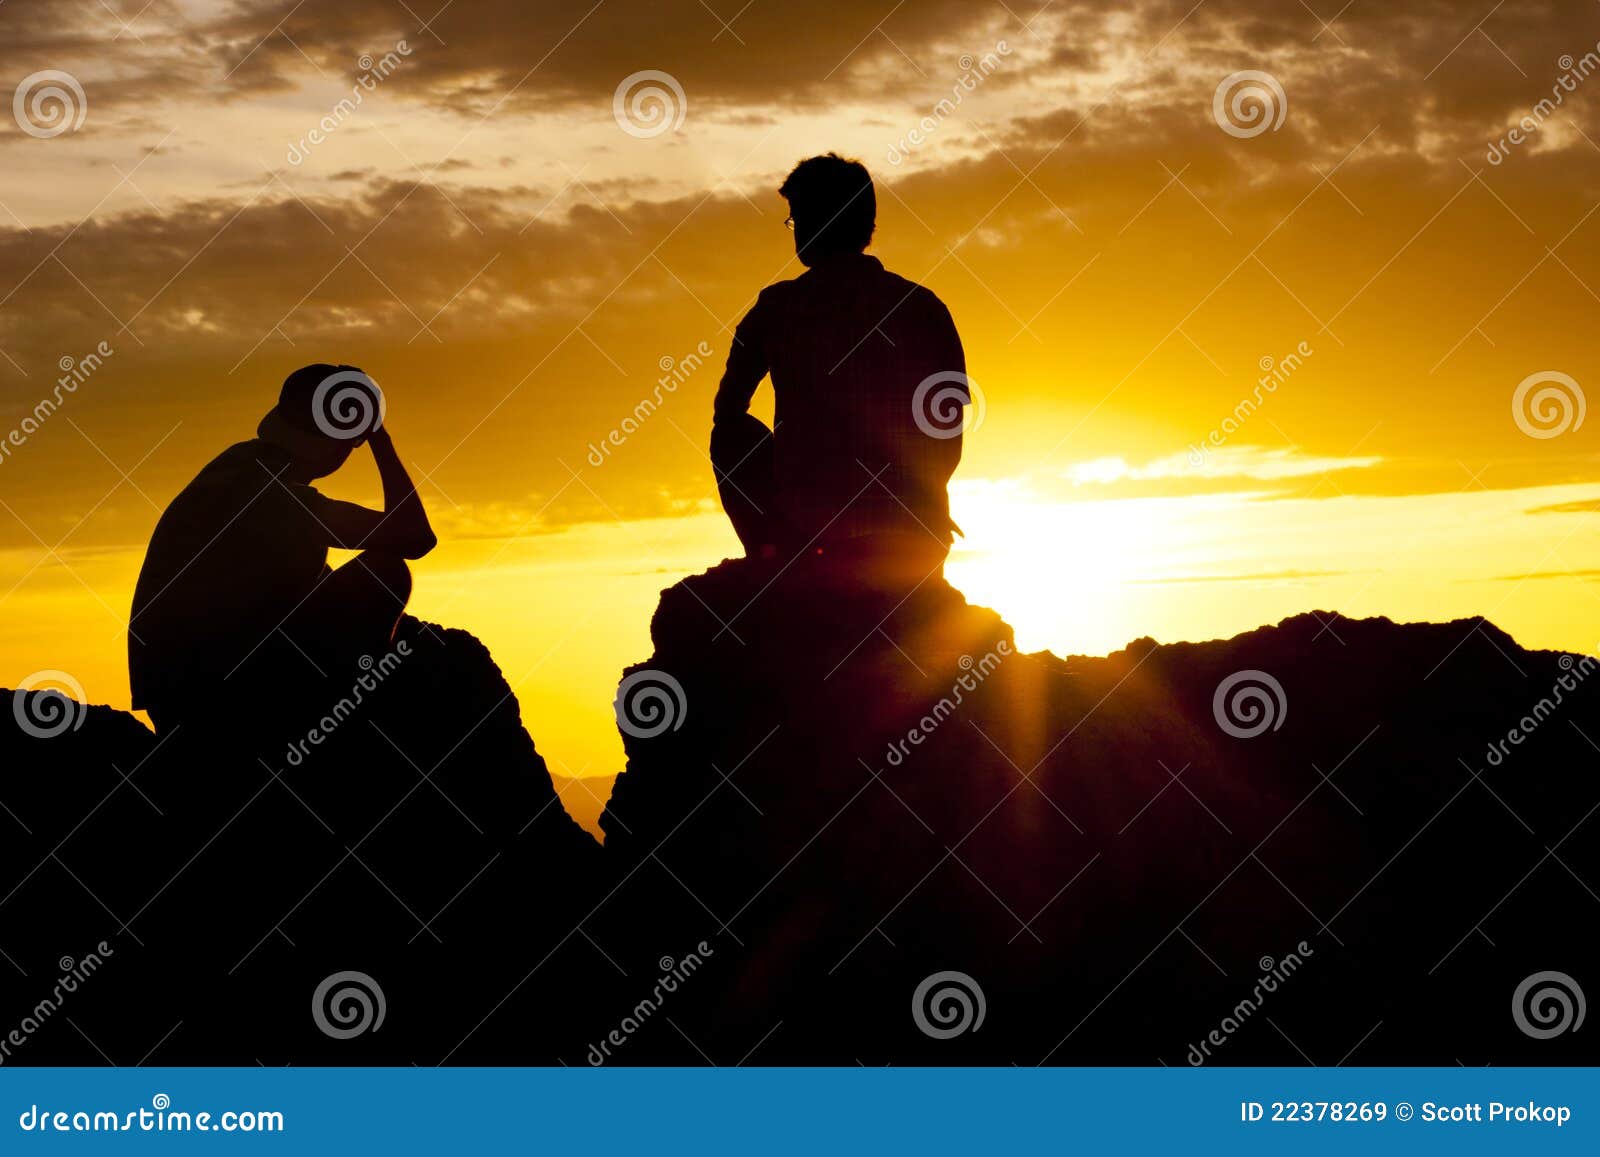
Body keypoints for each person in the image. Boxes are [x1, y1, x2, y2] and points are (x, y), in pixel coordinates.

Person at [128, 364, 436, 732]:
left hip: (178, 691)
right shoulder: (275, 499)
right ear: (338, 444)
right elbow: (415, 537)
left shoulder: (240, 465)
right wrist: (379, 439)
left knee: (338, 588)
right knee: (385, 573)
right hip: (213, 696)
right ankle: (352, 721)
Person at [711, 152, 970, 589]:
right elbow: (949, 428)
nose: (797, 230)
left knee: (730, 434)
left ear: (816, 221)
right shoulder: (923, 307)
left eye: (798, 218)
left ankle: (775, 563)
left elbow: (728, 412)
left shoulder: (778, 307)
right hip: (915, 537)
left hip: (812, 535)